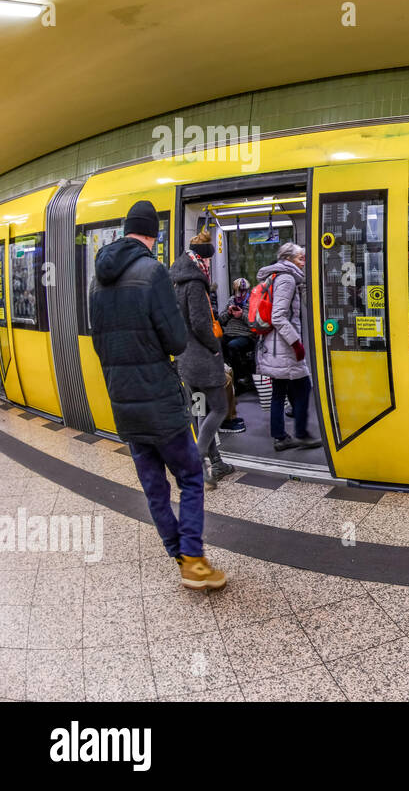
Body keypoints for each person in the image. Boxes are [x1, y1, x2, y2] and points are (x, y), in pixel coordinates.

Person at [89, 201, 225, 590]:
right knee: (191, 476)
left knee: (154, 486)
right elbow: (177, 341)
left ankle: (178, 553)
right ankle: (194, 561)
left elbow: (100, 343)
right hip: (161, 403)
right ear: (152, 234)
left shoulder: (97, 281)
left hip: (123, 402)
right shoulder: (153, 272)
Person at [170, 229, 234, 488]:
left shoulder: (177, 279)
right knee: (219, 408)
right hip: (202, 360)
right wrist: (214, 347)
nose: (209, 264)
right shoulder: (195, 282)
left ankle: (214, 465)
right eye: (209, 260)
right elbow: (199, 322)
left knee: (200, 410)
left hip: (186, 358)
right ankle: (197, 459)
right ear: (203, 258)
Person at [255, 242, 322, 452]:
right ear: (289, 259)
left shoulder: (275, 276)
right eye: (301, 258)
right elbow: (278, 316)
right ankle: (300, 434)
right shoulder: (286, 279)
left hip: (273, 345)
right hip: (283, 347)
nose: (304, 262)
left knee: (279, 391)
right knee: (303, 388)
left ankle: (281, 437)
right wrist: (296, 343)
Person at [220, 277, 256, 394]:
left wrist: (241, 315)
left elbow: (255, 323)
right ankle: (225, 378)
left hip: (245, 335)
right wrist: (229, 314)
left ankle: (240, 378)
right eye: (239, 290)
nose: (241, 293)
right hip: (229, 332)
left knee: (232, 346)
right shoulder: (231, 300)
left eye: (243, 290)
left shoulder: (252, 301)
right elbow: (221, 320)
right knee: (216, 345)